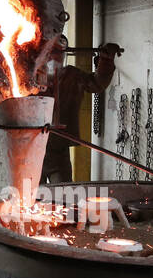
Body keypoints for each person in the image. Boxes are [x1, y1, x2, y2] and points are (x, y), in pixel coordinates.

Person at [41, 35, 118, 184]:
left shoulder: (70, 76)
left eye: (59, 52)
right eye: (52, 52)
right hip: (31, 149)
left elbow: (96, 83)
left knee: (63, 195)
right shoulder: (27, 78)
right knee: (31, 198)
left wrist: (106, 61)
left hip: (58, 149)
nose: (55, 57)